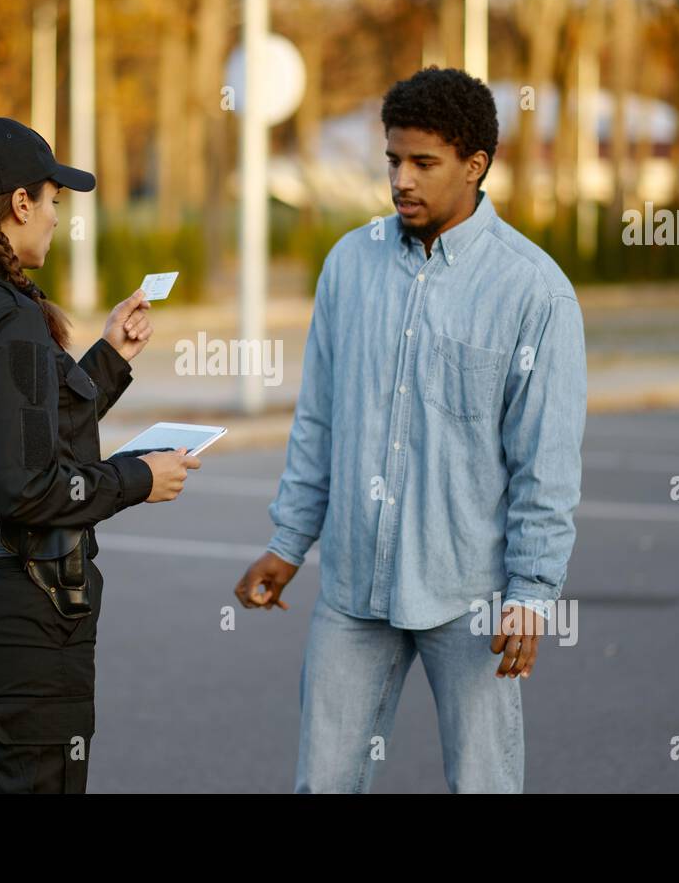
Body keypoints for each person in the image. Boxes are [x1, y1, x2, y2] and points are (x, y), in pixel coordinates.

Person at [234, 67, 587, 793]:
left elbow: (544, 464)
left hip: (471, 593)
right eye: (393, 159)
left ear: (475, 165)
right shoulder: (348, 267)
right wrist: (287, 541)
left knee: (483, 786)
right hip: (354, 590)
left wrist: (531, 592)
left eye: (424, 163)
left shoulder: (534, 291)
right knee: (322, 784)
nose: (402, 179)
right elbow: (320, 422)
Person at [0, 116, 200, 793]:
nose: (58, 219)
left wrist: (109, 359)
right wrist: (136, 478)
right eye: (53, 200)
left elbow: (16, 432)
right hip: (18, 615)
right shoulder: (13, 322)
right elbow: (25, 485)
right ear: (21, 204)